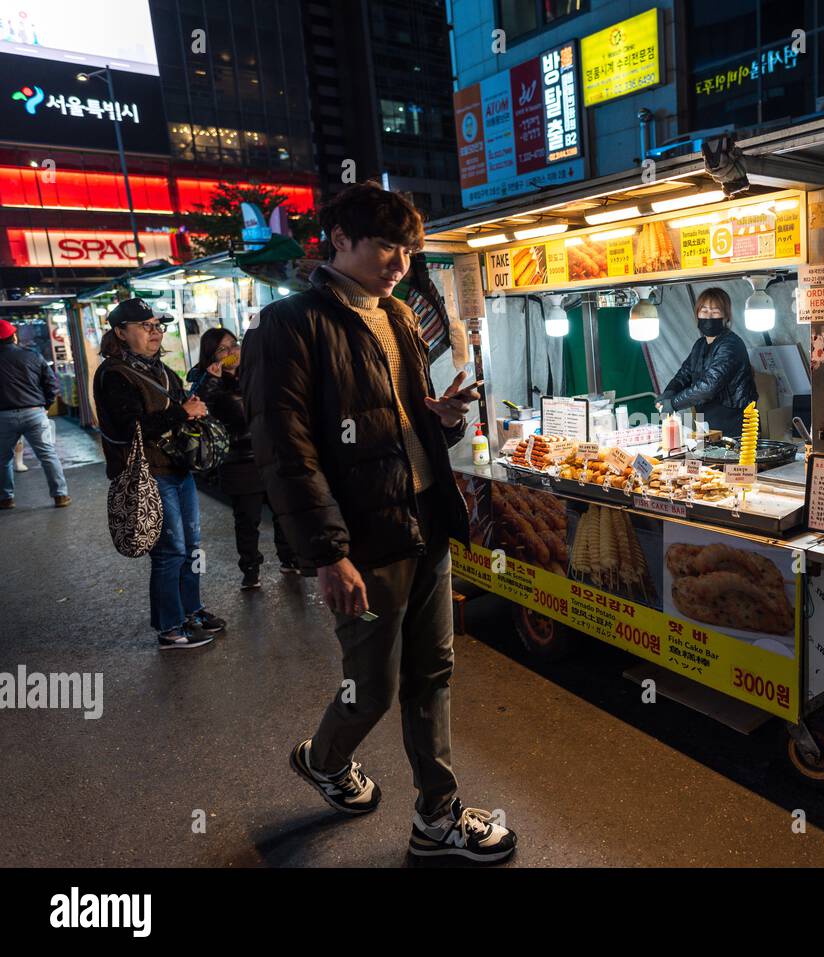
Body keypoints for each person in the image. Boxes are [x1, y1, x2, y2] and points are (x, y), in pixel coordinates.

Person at [244, 181, 517, 863]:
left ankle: (437, 816)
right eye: (387, 244)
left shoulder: (397, 316)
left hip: (426, 517)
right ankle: (324, 757)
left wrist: (441, 420)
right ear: (339, 238)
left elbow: (400, 421)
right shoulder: (290, 324)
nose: (400, 260)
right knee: (371, 688)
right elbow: (287, 450)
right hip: (363, 538)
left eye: (408, 247)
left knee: (436, 674)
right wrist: (327, 552)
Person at [92, 299, 226, 650]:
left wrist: (201, 396)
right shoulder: (113, 374)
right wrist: (182, 413)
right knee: (170, 552)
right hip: (147, 474)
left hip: (177, 468)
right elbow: (130, 426)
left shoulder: (161, 369)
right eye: (145, 326)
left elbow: (186, 407)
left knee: (192, 546)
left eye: (157, 325)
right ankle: (170, 628)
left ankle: (192, 611)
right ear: (120, 332)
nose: (155, 332)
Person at [187, 327, 296, 590]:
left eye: (233, 345)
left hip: (270, 455)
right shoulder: (205, 382)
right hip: (240, 460)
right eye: (222, 350)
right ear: (211, 356)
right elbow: (202, 414)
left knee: (284, 511)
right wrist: (211, 383)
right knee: (248, 520)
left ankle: (289, 559)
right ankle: (250, 570)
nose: (231, 353)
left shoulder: (253, 373)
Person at [656, 287, 759, 437]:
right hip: (708, 421)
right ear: (697, 314)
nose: (709, 316)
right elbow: (684, 374)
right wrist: (669, 392)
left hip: (734, 422)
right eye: (704, 311)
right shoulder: (700, 345)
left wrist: (673, 403)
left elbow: (709, 386)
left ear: (726, 316)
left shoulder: (731, 345)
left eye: (715, 311)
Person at [0, 318, 70, 509]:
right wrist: (46, 405)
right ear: (13, 336)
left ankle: (6, 498)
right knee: (48, 455)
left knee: (3, 459)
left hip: (3, 417)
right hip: (34, 412)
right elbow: (51, 383)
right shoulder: (32, 355)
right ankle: (60, 496)